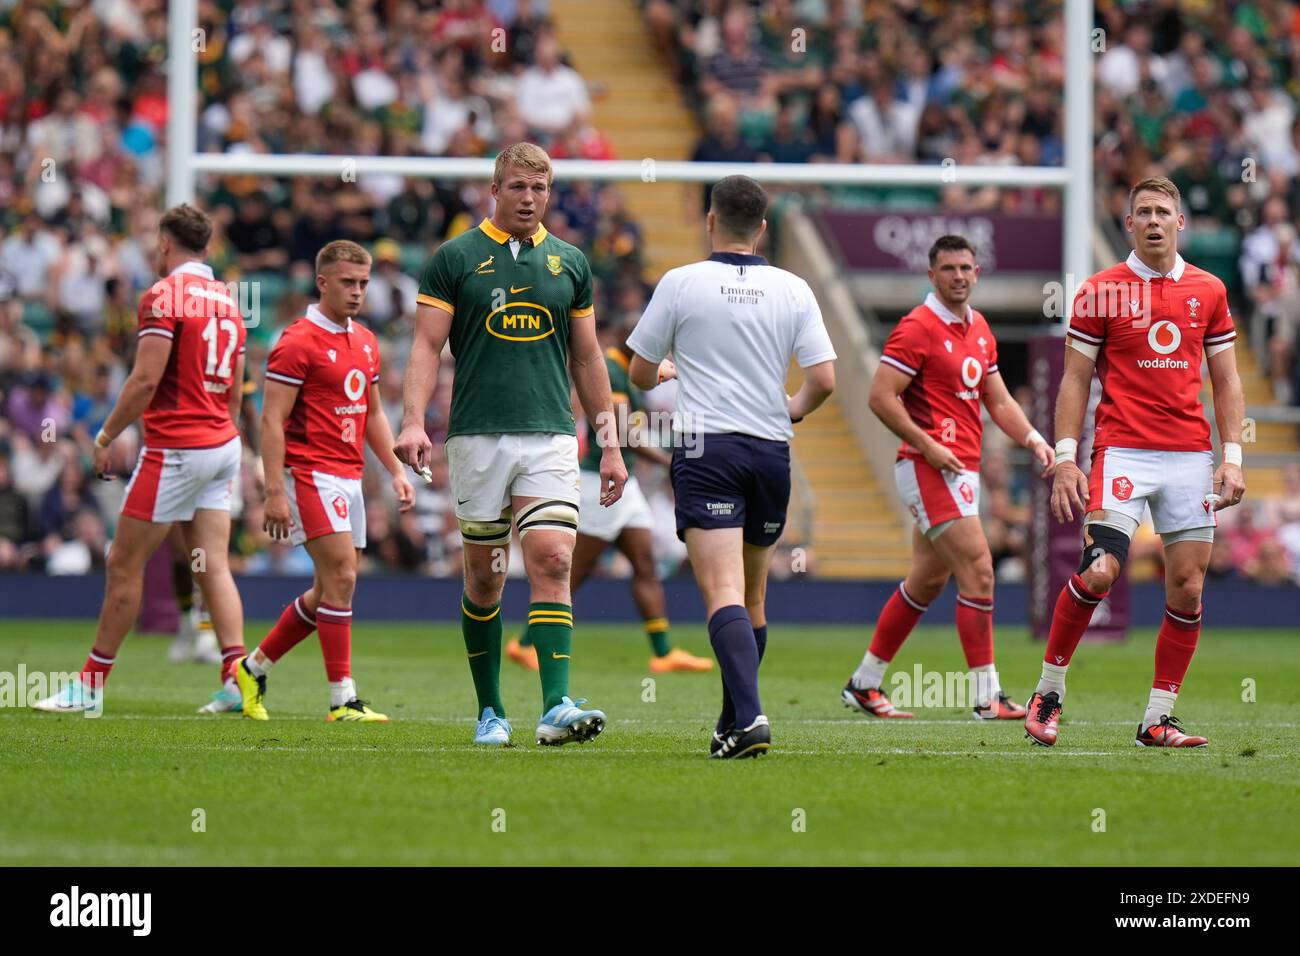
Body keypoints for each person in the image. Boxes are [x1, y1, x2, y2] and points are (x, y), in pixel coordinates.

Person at [394, 142, 626, 747]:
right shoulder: (456, 257)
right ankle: (491, 710)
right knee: (486, 578)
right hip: (476, 436)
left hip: (550, 433)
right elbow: (425, 346)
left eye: (540, 189)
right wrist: (413, 420)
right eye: (518, 187)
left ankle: (555, 706)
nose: (529, 199)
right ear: (494, 190)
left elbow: (587, 356)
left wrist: (611, 443)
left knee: (553, 559)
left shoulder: (571, 263)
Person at [1027, 176, 1246, 748]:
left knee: (1189, 589)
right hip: (1122, 450)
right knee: (1101, 570)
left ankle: (1158, 717)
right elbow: (1074, 380)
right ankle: (1048, 692)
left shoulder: (1210, 290)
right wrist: (1068, 457)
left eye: (1163, 212)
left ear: (1180, 222)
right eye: (1143, 212)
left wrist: (1234, 457)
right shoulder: (1100, 291)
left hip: (1190, 456)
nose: (1153, 221)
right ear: (1128, 224)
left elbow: (1226, 380)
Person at [627, 174, 837, 758]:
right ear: (763, 227)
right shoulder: (795, 289)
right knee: (754, 597)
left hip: (707, 447)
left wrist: (668, 370)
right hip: (771, 449)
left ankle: (750, 718)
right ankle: (732, 721)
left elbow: (638, 373)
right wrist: (790, 411)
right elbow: (823, 379)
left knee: (721, 591)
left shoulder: (681, 282)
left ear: (710, 220)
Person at [33, 204, 248, 713]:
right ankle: (238, 682)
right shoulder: (228, 301)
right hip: (222, 443)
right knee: (213, 564)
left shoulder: (164, 295)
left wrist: (106, 435)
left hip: (179, 446)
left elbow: (146, 379)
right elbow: (236, 390)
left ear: (166, 243)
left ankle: (88, 688)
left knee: (123, 562)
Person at [841, 235, 1054, 721]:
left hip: (962, 470)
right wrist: (928, 444)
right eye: (948, 268)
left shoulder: (979, 328)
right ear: (931, 275)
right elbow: (880, 396)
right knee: (979, 568)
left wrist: (1035, 440)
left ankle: (864, 683)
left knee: (929, 579)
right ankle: (987, 696)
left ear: (977, 273)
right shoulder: (917, 327)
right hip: (926, 467)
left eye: (966, 267)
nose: (958, 276)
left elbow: (997, 401)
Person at [232, 241, 414, 722]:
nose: (357, 292)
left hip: (349, 476)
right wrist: (274, 491)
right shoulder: (296, 342)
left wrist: (395, 469)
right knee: (343, 579)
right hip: (309, 473)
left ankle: (252, 668)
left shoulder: (367, 341)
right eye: (348, 283)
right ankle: (342, 699)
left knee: (328, 591)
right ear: (323, 282)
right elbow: (271, 420)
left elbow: (372, 413)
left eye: (363, 283)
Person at [506, 315, 713, 674]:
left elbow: (634, 421)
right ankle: (526, 643)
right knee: (573, 571)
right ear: (630, 341)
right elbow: (618, 431)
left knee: (645, 563)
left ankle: (662, 652)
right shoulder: (612, 373)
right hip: (600, 482)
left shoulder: (626, 373)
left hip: (625, 483)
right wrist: (669, 460)